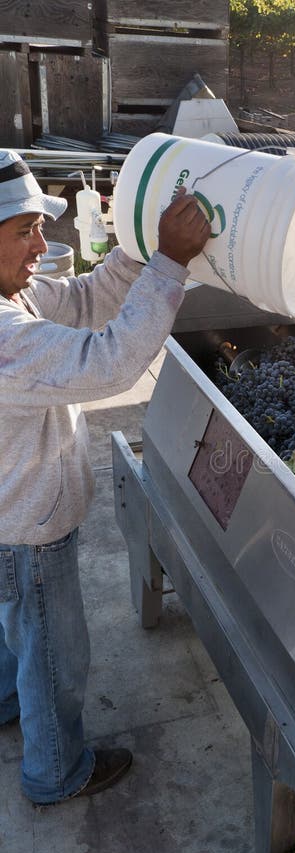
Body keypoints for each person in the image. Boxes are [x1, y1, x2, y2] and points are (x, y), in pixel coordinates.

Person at [0, 148, 210, 804]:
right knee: (56, 656)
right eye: (22, 231)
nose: (42, 244)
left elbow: (87, 300)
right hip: (30, 529)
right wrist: (171, 262)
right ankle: (56, 771)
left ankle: (7, 698)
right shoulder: (7, 338)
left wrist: (135, 249)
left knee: (17, 632)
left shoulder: (17, 292)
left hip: (8, 517)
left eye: (40, 225)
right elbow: (111, 359)